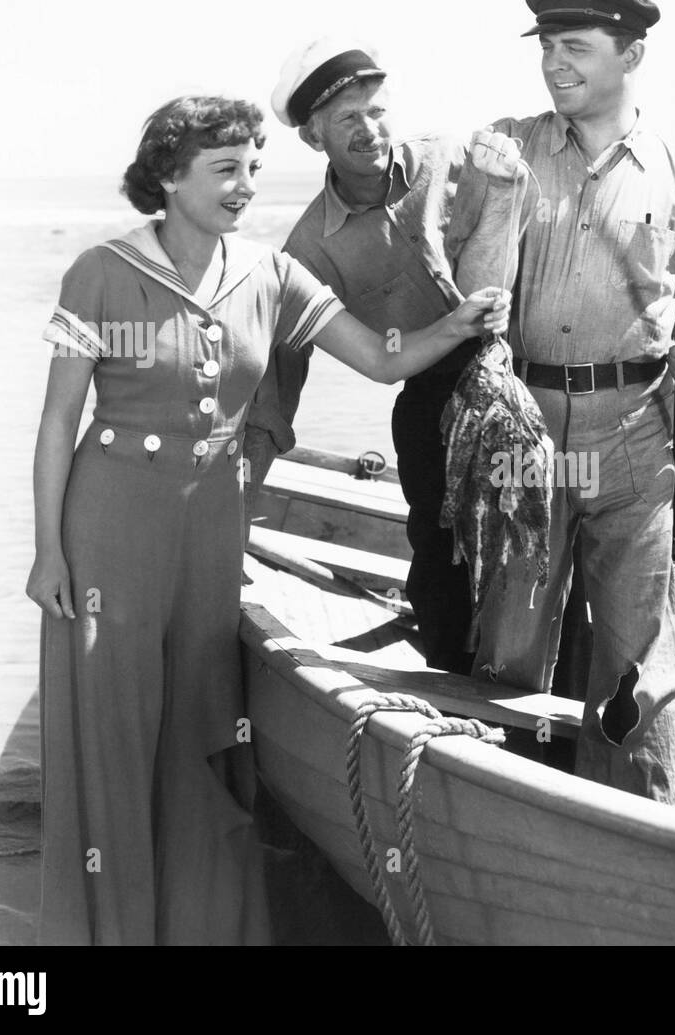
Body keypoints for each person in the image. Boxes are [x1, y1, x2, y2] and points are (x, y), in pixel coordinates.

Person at [26, 95, 508, 945]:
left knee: (203, 720)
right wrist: (46, 552)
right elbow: (58, 419)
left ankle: (196, 925)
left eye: (253, 167)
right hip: (110, 525)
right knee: (116, 723)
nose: (246, 186)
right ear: (169, 178)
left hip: (215, 524)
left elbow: (382, 357)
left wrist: (459, 323)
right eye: (225, 170)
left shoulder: (274, 275)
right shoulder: (100, 272)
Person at [447, 0, 675, 805]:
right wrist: (483, 186)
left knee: (638, 662)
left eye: (574, 45)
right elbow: (458, 265)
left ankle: (644, 824)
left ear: (635, 51)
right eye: (546, 45)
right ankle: (496, 808)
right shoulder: (510, 146)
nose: (554, 62)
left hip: (637, 436)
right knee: (508, 645)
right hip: (523, 423)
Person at [244, 37, 508, 675]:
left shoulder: (454, 158)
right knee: (438, 549)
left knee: (544, 541)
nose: (369, 130)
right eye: (347, 119)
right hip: (429, 393)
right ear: (314, 140)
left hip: (522, 377)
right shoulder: (309, 247)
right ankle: (450, 687)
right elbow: (282, 373)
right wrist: (242, 488)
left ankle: (560, 695)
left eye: (377, 110)